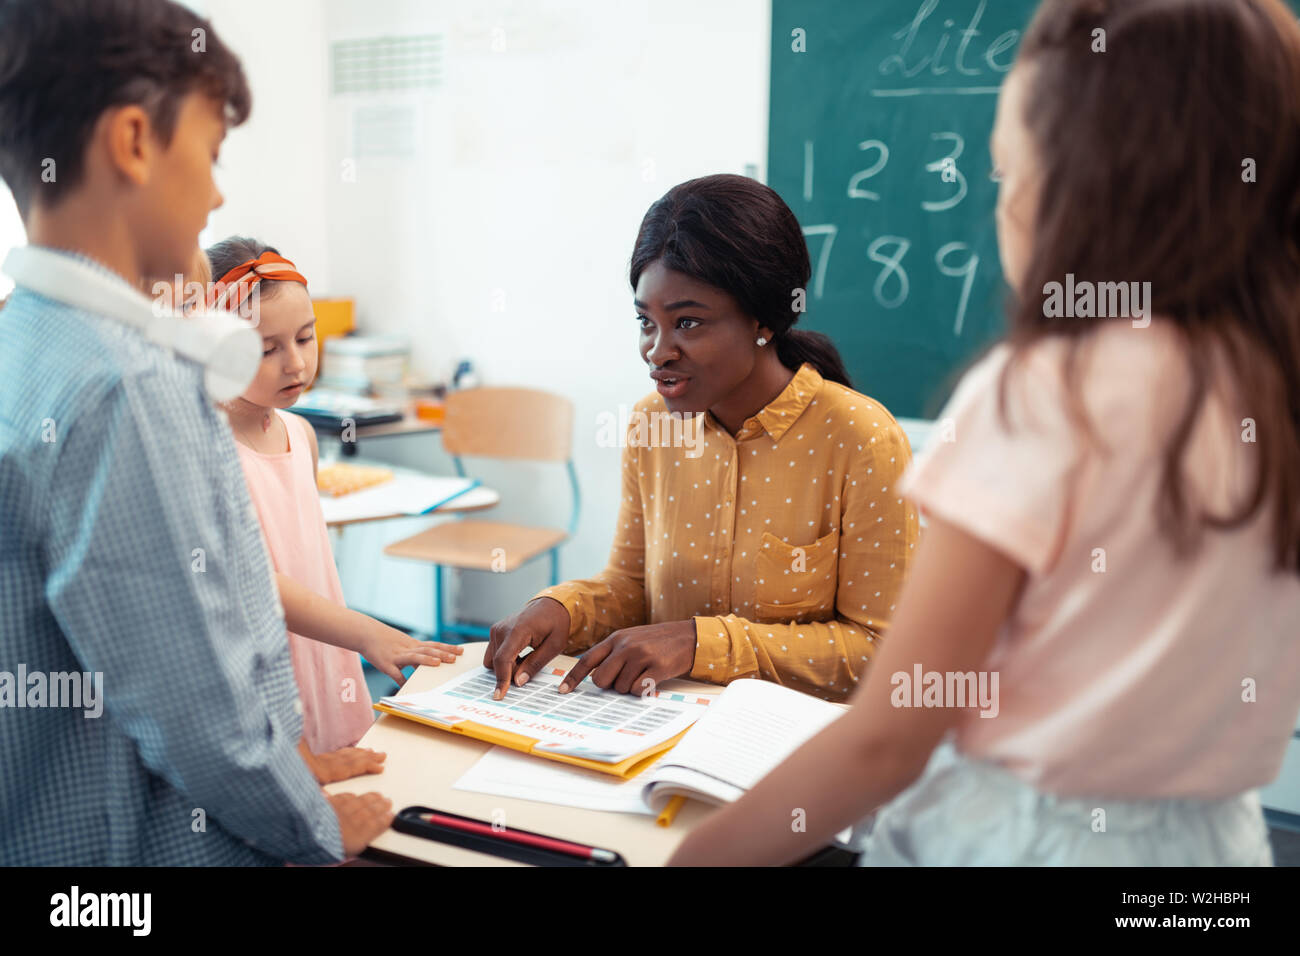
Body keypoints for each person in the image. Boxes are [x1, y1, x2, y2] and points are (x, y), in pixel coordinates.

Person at [668, 0, 1300, 866]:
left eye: (1010, 174)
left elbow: (888, 738)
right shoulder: (1275, 382)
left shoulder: (1049, 393)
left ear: (1085, 185)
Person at [0, 0, 390, 864]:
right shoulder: (128, 386)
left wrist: (290, 769)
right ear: (135, 142)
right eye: (210, 156)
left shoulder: (20, 341)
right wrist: (314, 827)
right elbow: (199, 711)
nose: (217, 193)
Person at [486, 174, 919, 701]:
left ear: (762, 320)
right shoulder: (652, 424)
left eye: (688, 323)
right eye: (646, 321)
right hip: (656, 728)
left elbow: (881, 652)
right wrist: (561, 608)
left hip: (794, 751)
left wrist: (699, 644)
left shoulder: (861, 438)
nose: (657, 351)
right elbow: (632, 586)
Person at [201, 236, 462, 763]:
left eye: (305, 337)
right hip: (267, 667)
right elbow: (255, 584)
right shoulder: (206, 453)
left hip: (325, 650)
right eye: (267, 349)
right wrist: (368, 633)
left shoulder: (300, 436)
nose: (295, 363)